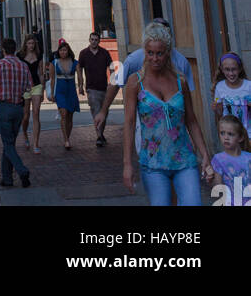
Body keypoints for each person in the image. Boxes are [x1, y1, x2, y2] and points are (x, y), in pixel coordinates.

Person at [122, 20, 212, 206]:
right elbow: (129, 124)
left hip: (184, 160)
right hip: (153, 163)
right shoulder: (135, 82)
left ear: (168, 53)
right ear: (144, 52)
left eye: (160, 53)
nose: (155, 58)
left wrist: (204, 155)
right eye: (150, 53)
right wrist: (127, 164)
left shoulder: (180, 81)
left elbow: (192, 120)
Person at [94, 17, 193, 137]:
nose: (155, 58)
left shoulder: (181, 62)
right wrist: (103, 111)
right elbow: (116, 82)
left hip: (176, 124)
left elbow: (189, 103)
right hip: (148, 123)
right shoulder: (135, 59)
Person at [0, 38, 31, 189]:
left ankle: (22, 170)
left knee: (7, 143)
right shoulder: (23, 65)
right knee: (10, 143)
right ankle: (7, 178)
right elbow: (28, 87)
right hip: (18, 106)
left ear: (3, 50)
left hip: (5, 106)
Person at [78, 30, 113, 146]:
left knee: (104, 112)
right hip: (91, 87)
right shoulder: (83, 53)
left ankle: (101, 133)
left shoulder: (104, 53)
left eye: (96, 40)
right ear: (89, 40)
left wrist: (112, 82)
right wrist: (80, 85)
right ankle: (98, 136)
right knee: (96, 110)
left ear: (99, 41)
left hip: (104, 86)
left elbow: (111, 67)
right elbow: (79, 69)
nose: (94, 42)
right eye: (92, 39)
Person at [209, 114, 251, 207]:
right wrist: (210, 179)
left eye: (230, 134)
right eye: (222, 133)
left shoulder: (249, 158)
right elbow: (218, 188)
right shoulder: (218, 159)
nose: (226, 137)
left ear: (240, 138)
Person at [49, 39, 81, 150]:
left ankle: (68, 136)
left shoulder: (74, 62)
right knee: (63, 114)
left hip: (71, 91)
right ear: (58, 51)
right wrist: (52, 93)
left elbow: (80, 75)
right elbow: (52, 79)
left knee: (70, 116)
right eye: (61, 50)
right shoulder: (54, 63)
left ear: (68, 51)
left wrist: (81, 86)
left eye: (65, 50)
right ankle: (66, 139)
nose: (63, 52)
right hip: (60, 91)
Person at [18, 34, 44, 153]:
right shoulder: (20, 56)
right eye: (29, 43)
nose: (31, 46)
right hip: (25, 87)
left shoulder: (39, 55)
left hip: (37, 86)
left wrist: (42, 89)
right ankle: (25, 134)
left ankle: (36, 143)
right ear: (25, 44)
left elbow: (41, 72)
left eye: (33, 43)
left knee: (36, 113)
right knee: (26, 116)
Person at [212, 52, 251, 133]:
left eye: (234, 69)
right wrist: (217, 110)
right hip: (230, 135)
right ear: (222, 70)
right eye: (227, 69)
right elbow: (221, 115)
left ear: (240, 69)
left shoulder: (249, 86)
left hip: (249, 134)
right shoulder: (219, 87)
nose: (231, 73)